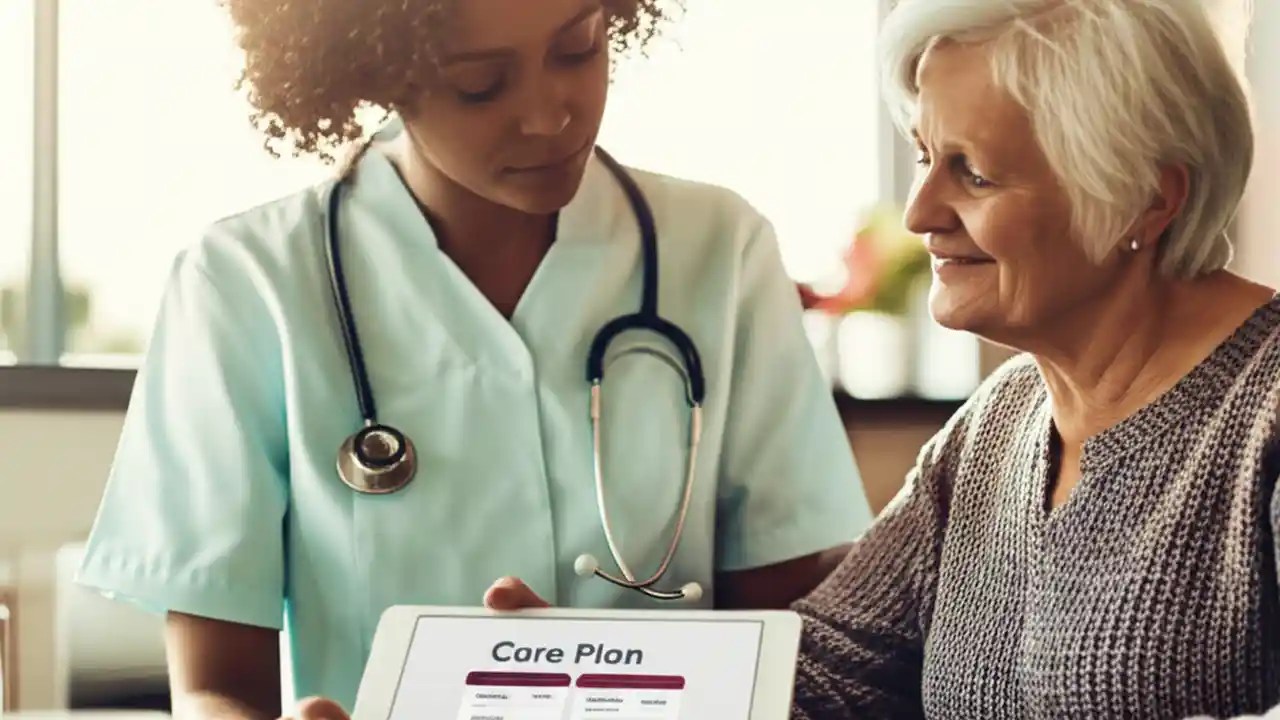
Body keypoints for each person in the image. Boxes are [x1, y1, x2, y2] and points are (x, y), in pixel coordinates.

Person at [73, 0, 872, 717]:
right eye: (479, 83)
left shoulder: (720, 249)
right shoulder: (246, 282)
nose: (548, 115)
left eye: (577, 48)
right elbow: (214, 686)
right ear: (374, 73)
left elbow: (783, 653)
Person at [492, 0, 1280, 717]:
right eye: (924, 156)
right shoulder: (997, 427)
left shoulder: (1264, 409)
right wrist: (592, 678)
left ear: (1148, 196)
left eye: (975, 174)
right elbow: (825, 675)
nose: (920, 213)